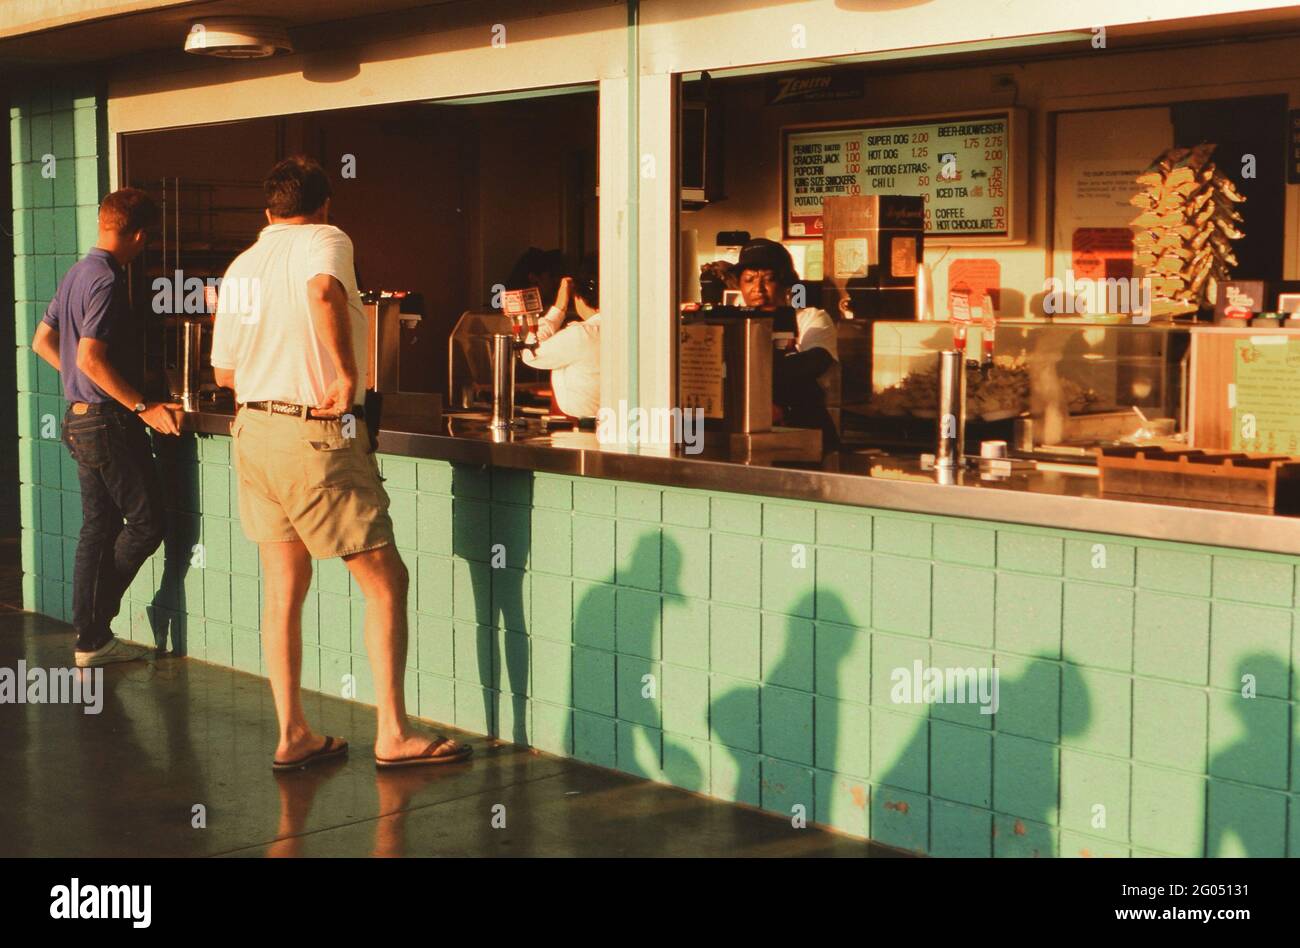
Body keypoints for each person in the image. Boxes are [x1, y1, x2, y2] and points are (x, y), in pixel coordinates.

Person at [210, 155, 470, 771]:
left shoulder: (242, 263)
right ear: (325, 205)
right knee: (385, 580)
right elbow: (323, 290)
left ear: (267, 210)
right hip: (314, 435)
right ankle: (393, 733)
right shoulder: (327, 239)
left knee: (283, 589)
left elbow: (223, 371)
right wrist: (348, 373)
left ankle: (293, 733)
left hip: (253, 431)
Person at [31, 188, 181, 668]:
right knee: (146, 523)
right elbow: (92, 358)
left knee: (97, 527)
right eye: (145, 240)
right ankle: (94, 623)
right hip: (108, 423)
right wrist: (143, 407)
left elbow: (42, 341)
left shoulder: (77, 273)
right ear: (137, 235)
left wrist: (77, 382)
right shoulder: (108, 282)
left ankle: (90, 637)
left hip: (80, 420)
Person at [731, 238, 840, 450]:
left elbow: (816, 361)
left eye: (768, 279)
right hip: (747, 436)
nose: (758, 288)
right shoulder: (734, 322)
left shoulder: (811, 318)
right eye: (749, 279)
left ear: (786, 283)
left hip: (805, 434)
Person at [519, 270, 600, 419]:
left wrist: (559, 307)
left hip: (581, 431)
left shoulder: (581, 334)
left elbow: (531, 353)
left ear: (578, 297)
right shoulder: (623, 331)